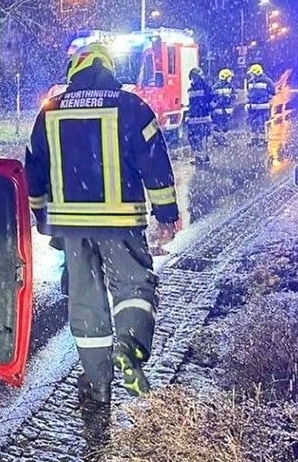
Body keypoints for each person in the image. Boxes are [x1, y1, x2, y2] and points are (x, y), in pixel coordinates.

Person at [24, 41, 182, 403]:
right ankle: (128, 350)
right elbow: (155, 164)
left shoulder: (50, 111)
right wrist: (167, 215)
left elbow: (34, 170)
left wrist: (41, 217)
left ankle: (97, 381)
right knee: (134, 288)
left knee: (86, 301)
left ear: (73, 71)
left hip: (71, 230)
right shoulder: (130, 106)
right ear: (108, 68)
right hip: (121, 222)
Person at [185, 67, 214, 165]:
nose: (193, 79)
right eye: (192, 77)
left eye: (195, 77)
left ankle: (203, 157)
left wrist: (207, 110)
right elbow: (192, 104)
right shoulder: (191, 89)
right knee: (195, 138)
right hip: (195, 118)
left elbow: (210, 101)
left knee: (202, 138)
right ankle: (199, 156)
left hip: (202, 117)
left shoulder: (205, 88)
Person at [245, 63, 276, 148]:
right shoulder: (252, 81)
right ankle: (255, 139)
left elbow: (273, 91)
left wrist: (264, 98)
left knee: (261, 123)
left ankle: (261, 139)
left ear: (256, 72)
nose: (250, 75)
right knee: (253, 123)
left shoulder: (266, 80)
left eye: (252, 73)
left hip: (262, 106)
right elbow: (249, 94)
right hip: (254, 106)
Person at [212, 68, 238, 139]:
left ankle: (222, 138)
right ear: (225, 77)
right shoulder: (216, 86)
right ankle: (217, 139)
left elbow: (235, 95)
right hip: (219, 109)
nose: (230, 78)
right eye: (229, 77)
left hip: (226, 109)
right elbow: (212, 97)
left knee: (225, 125)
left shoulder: (230, 86)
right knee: (218, 125)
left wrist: (230, 97)